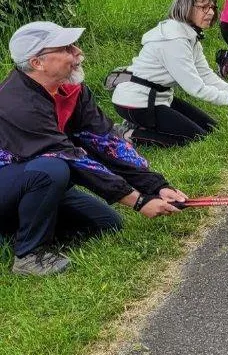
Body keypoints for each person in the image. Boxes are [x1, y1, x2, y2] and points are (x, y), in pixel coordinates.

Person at [1, 22, 189, 276]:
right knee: (53, 168)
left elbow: (106, 142)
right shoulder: (17, 105)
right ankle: (29, 256)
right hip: (19, 181)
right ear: (38, 63)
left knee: (107, 223)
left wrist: (156, 186)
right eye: (66, 48)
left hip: (31, 182)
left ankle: (23, 226)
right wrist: (138, 201)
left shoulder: (72, 91)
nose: (78, 53)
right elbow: (72, 158)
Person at [111, 0, 228, 147]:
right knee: (196, 139)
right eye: (204, 7)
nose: (211, 12)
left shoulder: (189, 36)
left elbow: (207, 76)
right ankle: (126, 134)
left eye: (212, 7)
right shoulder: (174, 41)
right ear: (186, 7)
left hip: (159, 98)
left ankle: (139, 125)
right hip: (135, 103)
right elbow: (197, 89)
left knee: (211, 130)